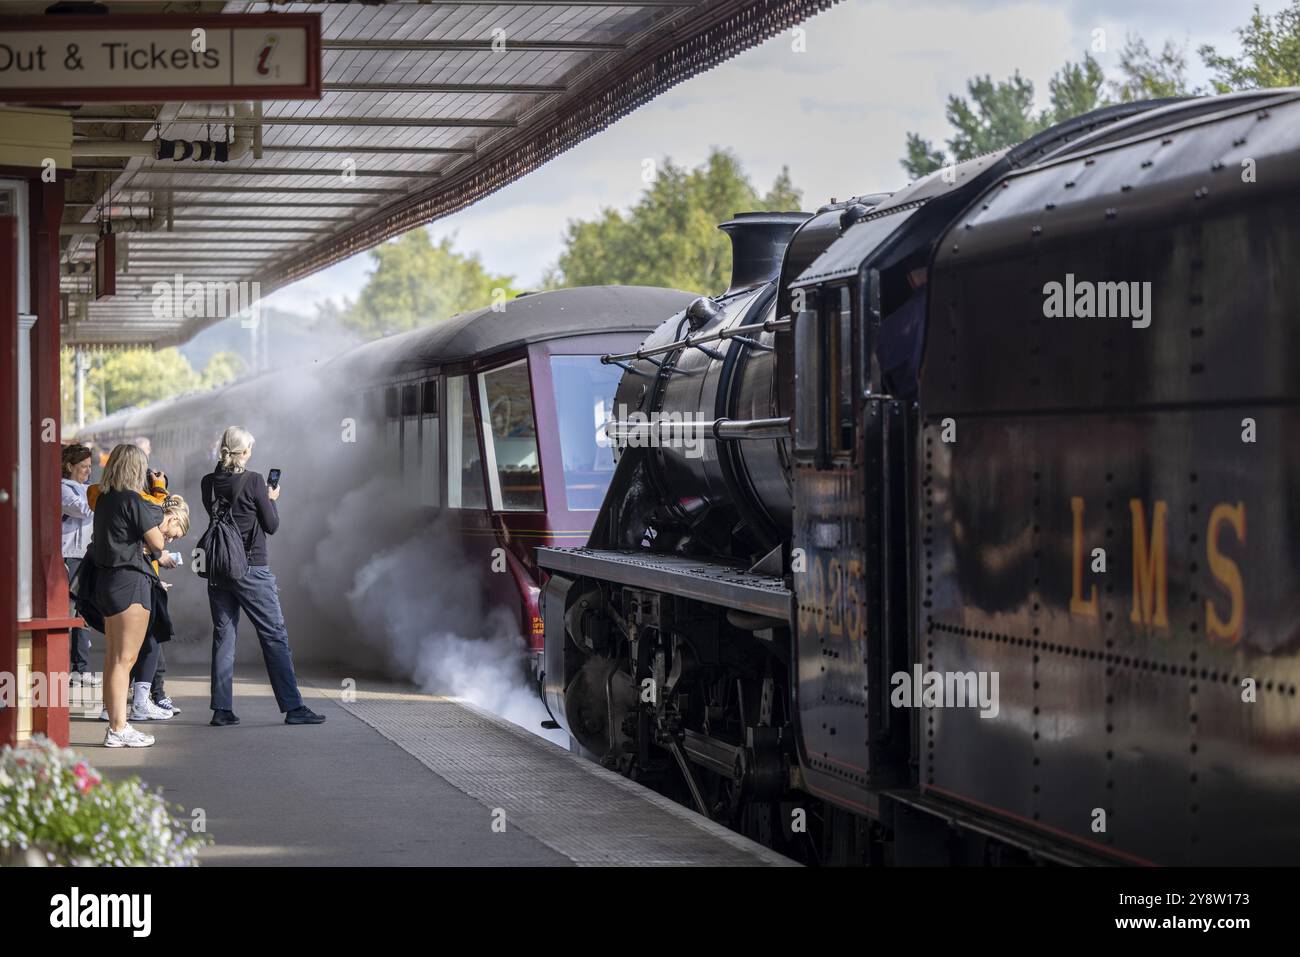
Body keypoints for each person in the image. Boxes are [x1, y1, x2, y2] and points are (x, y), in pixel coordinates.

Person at [201, 426, 325, 727]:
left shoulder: (208, 482)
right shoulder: (255, 481)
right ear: (243, 453)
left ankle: (222, 709)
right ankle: (293, 707)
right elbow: (271, 525)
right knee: (274, 636)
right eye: (250, 449)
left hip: (218, 567)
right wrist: (271, 499)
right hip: (251, 568)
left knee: (224, 636)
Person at [90, 444, 178, 748]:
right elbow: (156, 542)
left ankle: (116, 725)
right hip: (131, 582)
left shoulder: (104, 499)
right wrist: (161, 527)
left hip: (107, 582)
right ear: (136, 469)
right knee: (125, 660)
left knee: (114, 660)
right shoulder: (132, 500)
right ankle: (119, 728)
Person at [60, 444, 99, 685]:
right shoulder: (62, 489)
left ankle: (80, 668)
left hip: (85, 555)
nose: (87, 470)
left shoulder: (88, 489)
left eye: (89, 466)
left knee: (84, 612)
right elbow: (83, 509)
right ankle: (65, 667)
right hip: (68, 555)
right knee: (69, 612)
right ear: (69, 466)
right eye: (82, 466)